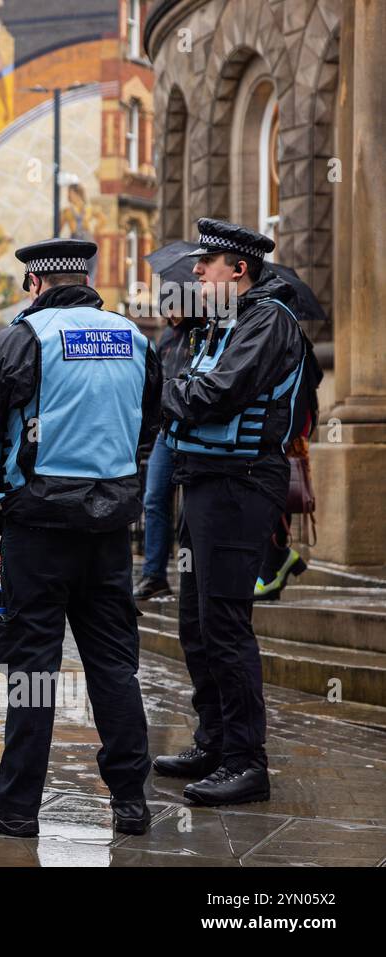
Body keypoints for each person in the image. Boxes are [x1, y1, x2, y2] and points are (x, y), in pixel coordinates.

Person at [0, 238, 161, 838]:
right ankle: (131, 801)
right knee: (114, 665)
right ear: (85, 279)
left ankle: (16, 805)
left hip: (37, 527)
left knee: (32, 670)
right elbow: (151, 420)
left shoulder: (26, 337)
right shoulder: (133, 337)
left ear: (35, 284)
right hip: (109, 529)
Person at [155, 218, 313, 806]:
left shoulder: (268, 321)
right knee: (195, 623)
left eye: (207, 263)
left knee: (224, 623)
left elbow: (215, 394)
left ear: (238, 269)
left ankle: (247, 762)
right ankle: (214, 740)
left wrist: (158, 393)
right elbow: (191, 392)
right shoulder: (224, 323)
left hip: (239, 486)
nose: (196, 271)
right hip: (205, 484)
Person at [135, 289, 204, 599]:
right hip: (167, 429)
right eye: (168, 306)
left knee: (191, 506)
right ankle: (154, 575)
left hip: (195, 428)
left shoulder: (205, 331)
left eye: (176, 305)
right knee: (154, 498)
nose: (172, 312)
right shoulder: (167, 336)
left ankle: (194, 574)